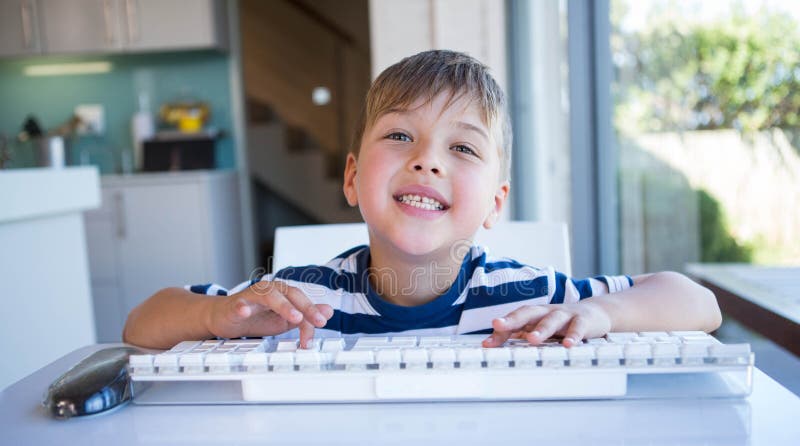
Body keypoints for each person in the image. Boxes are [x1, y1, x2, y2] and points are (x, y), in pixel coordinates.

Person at [124, 50, 721, 350]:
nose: (428, 160)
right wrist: (212, 317)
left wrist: (600, 315)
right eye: (401, 136)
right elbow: (140, 325)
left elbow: (698, 303)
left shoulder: (530, 302)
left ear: (494, 203)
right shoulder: (298, 303)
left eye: (463, 150)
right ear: (353, 178)